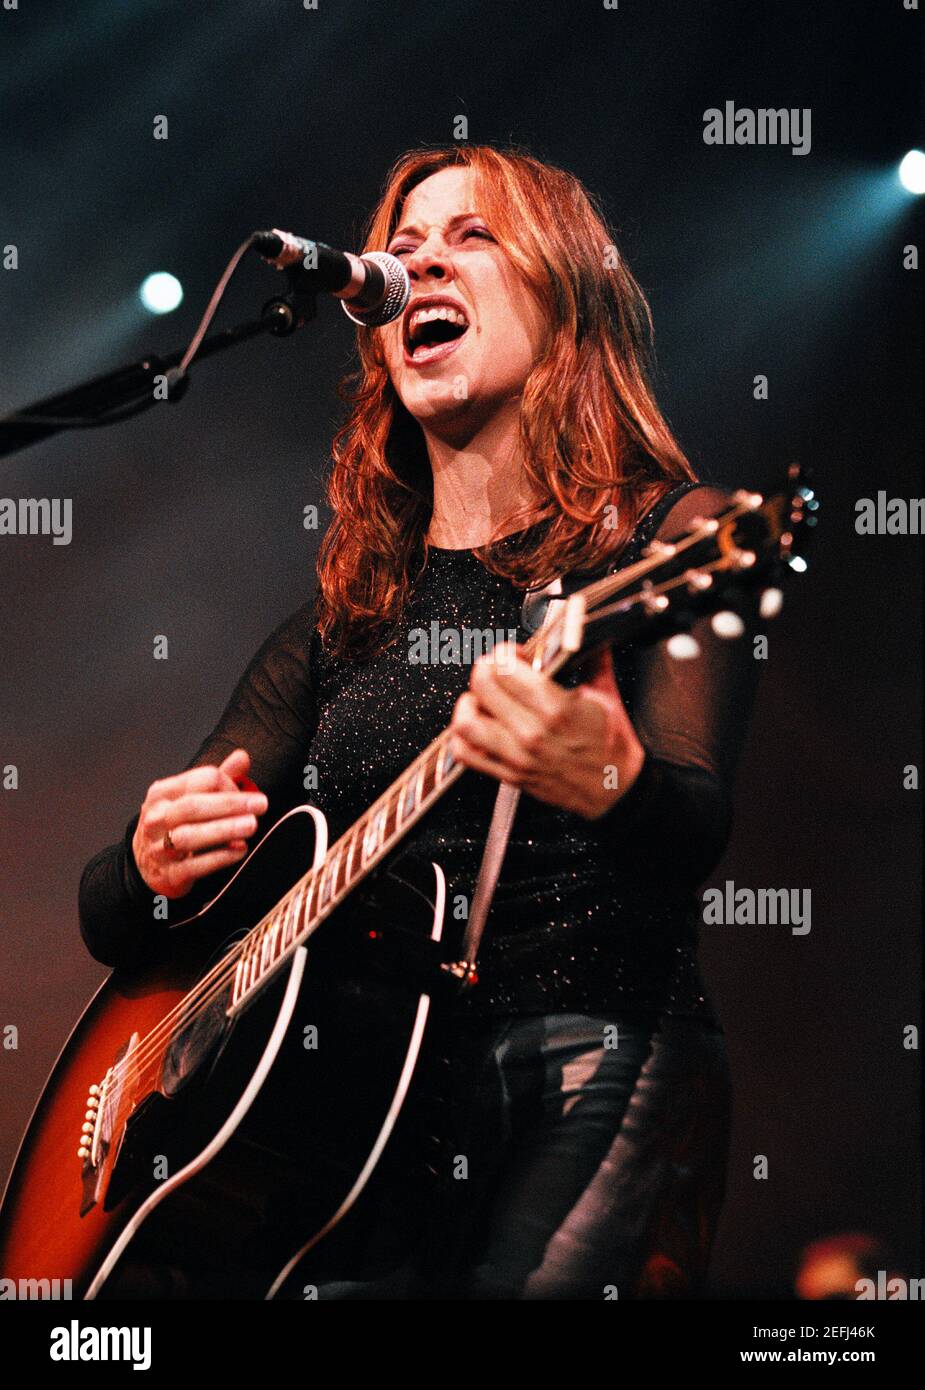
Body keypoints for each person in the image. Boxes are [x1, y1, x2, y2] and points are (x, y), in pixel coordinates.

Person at [79, 144, 760, 1299]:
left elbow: (691, 826)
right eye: (400, 250)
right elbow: (118, 914)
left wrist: (612, 782)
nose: (418, 264)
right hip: (366, 1109)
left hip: (587, 1061)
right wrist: (152, 866)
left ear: (568, 289)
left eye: (471, 237)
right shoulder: (343, 621)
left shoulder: (664, 546)